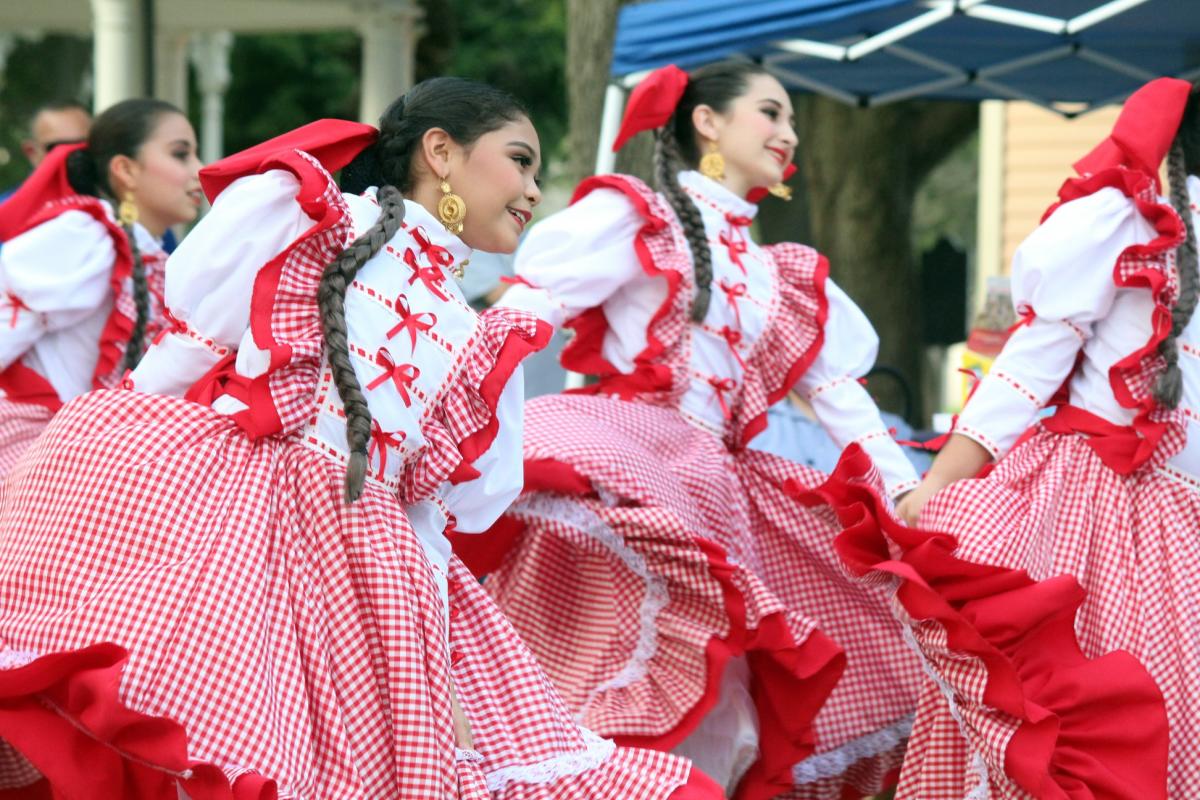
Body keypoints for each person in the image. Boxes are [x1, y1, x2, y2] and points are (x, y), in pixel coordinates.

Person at [0, 77, 719, 800]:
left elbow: (445, 513)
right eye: (519, 160)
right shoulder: (315, 218)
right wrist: (109, 448)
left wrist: (436, 651)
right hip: (243, 533)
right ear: (441, 151)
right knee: (218, 741)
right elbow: (192, 343)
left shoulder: (474, 330)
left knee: (327, 768)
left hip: (367, 570)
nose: (534, 188)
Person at [454, 61, 922, 798]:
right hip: (637, 473)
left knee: (726, 687)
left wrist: (904, 492)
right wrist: (452, 396)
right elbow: (535, 303)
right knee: (606, 677)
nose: (789, 133)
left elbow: (839, 396)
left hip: (721, 492)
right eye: (771, 113)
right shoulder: (645, 217)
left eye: (791, 120)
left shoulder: (777, 272)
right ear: (707, 123)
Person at [817, 77, 1199, 798]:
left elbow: (1030, 366)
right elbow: (1028, 365)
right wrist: (940, 484)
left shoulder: (1132, 219)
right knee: (1116, 718)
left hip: (1160, 520)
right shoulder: (1127, 220)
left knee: (1127, 722)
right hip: (1100, 511)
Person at [0, 98, 200, 476]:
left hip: (79, 451)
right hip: (30, 452)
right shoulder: (85, 237)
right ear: (125, 169)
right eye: (180, 154)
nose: (199, 170)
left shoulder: (149, 253)